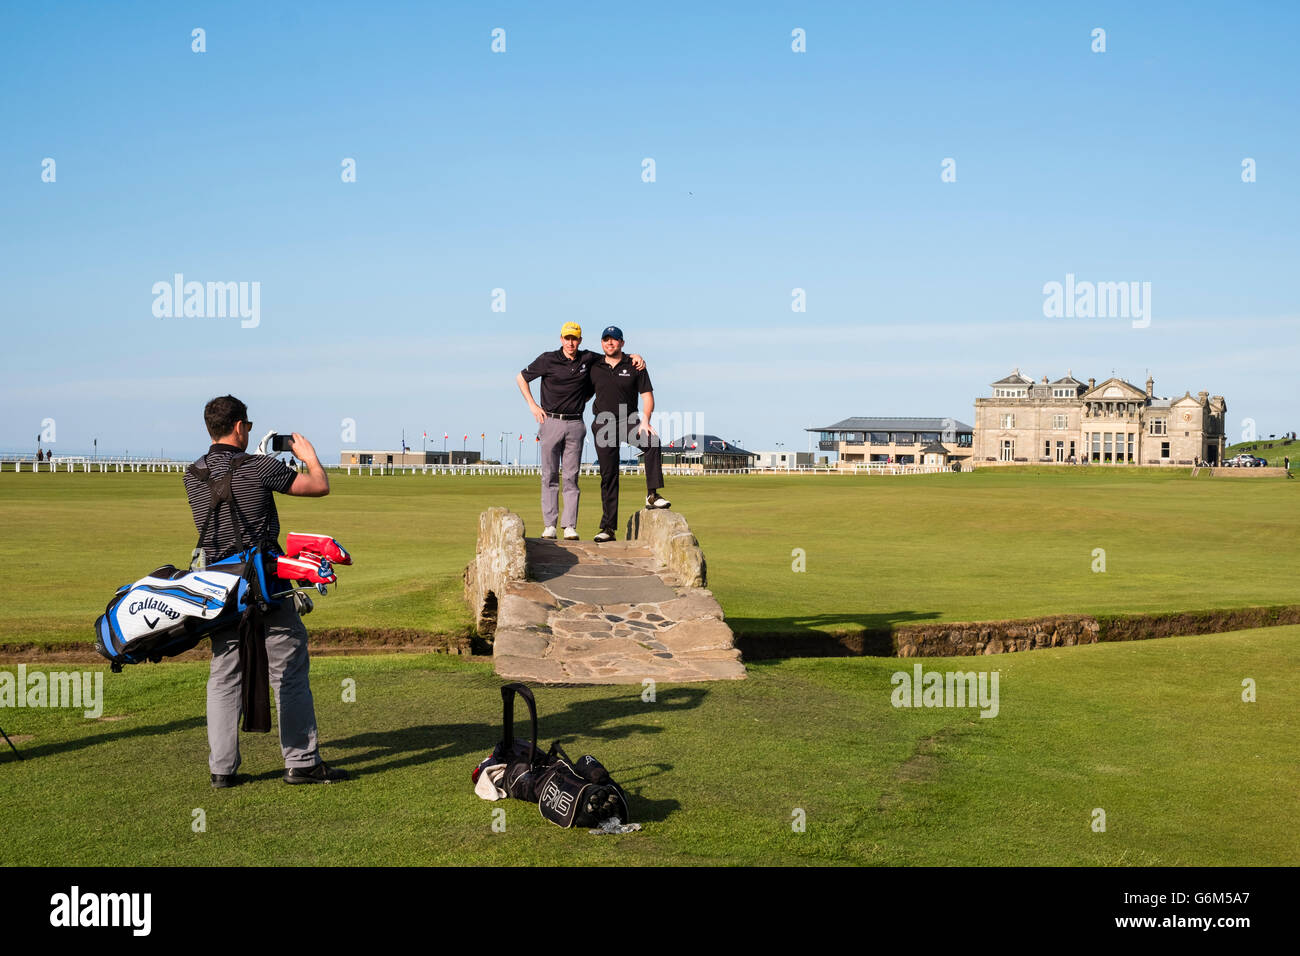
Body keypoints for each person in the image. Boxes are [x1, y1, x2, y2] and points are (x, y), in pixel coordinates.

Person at [182, 395, 347, 788]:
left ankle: (222, 769)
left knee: (224, 676)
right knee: (288, 671)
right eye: (249, 425)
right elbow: (319, 486)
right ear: (240, 426)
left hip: (219, 588)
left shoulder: (193, 473)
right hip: (267, 584)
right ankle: (301, 762)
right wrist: (308, 455)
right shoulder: (259, 465)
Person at [516, 323, 642, 540]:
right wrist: (533, 406)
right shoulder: (548, 359)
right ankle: (550, 525)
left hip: (576, 424)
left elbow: (612, 354)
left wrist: (634, 356)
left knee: (572, 476)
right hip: (550, 422)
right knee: (549, 475)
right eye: (567, 338)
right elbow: (521, 378)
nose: (570, 342)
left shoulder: (588, 359)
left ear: (580, 340)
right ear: (561, 339)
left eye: (574, 338)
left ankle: (569, 526)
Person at [588, 326, 670, 542]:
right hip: (603, 422)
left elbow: (647, 396)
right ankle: (607, 528)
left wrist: (645, 420)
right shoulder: (594, 365)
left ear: (622, 343)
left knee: (652, 441)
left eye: (614, 340)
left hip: (629, 419)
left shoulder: (635, 365)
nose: (610, 343)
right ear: (602, 343)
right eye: (606, 340)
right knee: (609, 475)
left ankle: (652, 495)